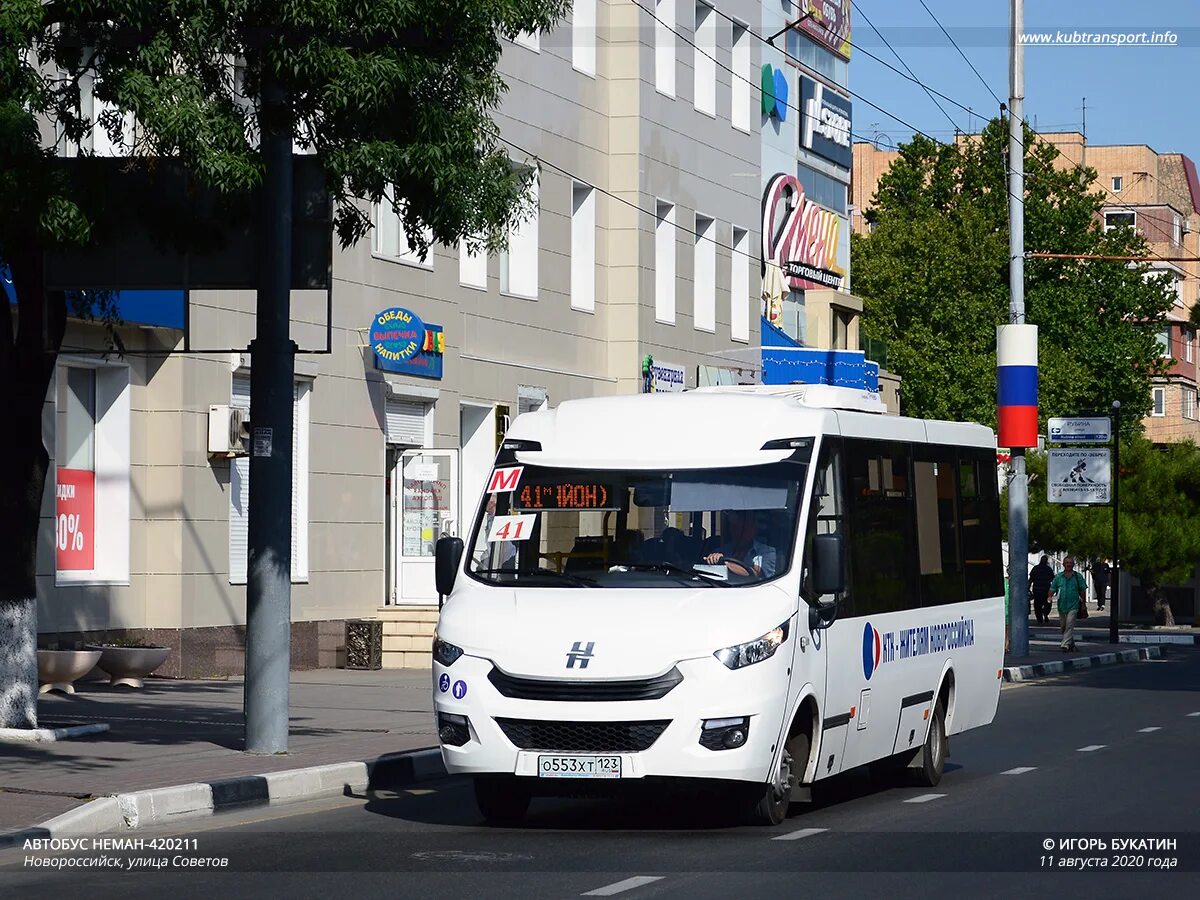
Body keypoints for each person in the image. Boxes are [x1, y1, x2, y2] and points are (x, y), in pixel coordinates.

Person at [703, 509, 777, 578]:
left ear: (754, 529)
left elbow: (756, 573)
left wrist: (726, 564)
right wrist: (713, 559)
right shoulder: (721, 551)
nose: (739, 531)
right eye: (735, 526)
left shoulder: (766, 552)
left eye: (744, 527)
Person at [1048, 556, 1087, 652]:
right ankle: (1071, 644)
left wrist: (1083, 604)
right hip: (1061, 606)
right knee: (1064, 627)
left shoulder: (1078, 577)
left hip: (1073, 605)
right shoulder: (1058, 577)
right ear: (1063, 564)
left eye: (1070, 563)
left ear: (1073, 565)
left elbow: (1082, 590)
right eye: (1067, 563)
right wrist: (1049, 596)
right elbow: (1052, 588)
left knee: (1069, 624)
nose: (1068, 564)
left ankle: (1064, 645)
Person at [1028, 555, 1055, 626]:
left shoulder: (1035, 568)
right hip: (1045, 589)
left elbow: (1031, 579)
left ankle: (1040, 618)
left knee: (1038, 605)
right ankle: (1045, 615)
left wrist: (1028, 588)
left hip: (1038, 590)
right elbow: (1053, 579)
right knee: (1047, 604)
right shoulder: (1048, 569)